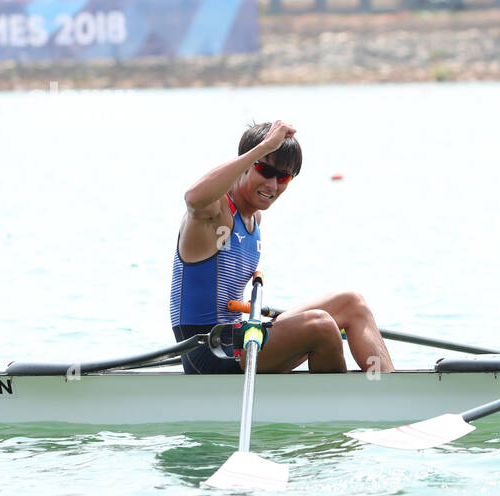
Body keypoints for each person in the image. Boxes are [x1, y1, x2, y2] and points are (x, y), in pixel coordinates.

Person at [169, 120, 394, 375]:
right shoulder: (216, 212)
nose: (272, 185)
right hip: (208, 352)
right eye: (265, 171)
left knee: (352, 303)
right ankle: (343, 406)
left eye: (284, 176)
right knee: (320, 326)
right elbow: (193, 198)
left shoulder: (254, 219)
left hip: (239, 338)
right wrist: (263, 147)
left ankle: (389, 390)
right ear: (245, 164)